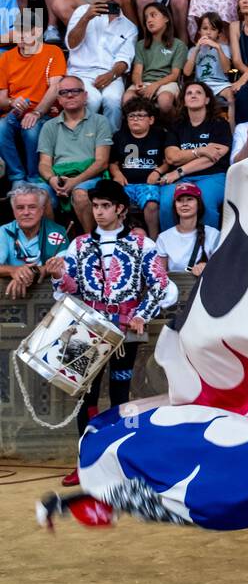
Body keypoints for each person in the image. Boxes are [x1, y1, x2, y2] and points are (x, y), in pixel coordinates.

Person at [52, 179, 171, 437]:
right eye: (95, 206)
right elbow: (70, 289)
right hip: (86, 325)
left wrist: (141, 315)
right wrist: (59, 276)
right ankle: (86, 457)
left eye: (105, 206)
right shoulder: (79, 244)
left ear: (121, 209)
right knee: (86, 392)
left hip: (125, 323)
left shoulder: (143, 245)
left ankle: (122, 451)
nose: (98, 211)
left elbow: (160, 285)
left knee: (123, 391)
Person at [37, 75, 115, 233]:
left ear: (85, 96)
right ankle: (53, 243)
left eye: (75, 91)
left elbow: (102, 162)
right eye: (64, 92)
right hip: (58, 177)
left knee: (80, 194)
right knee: (38, 195)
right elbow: (44, 163)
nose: (70, 95)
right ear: (58, 99)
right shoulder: (49, 126)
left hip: (89, 177)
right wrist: (52, 179)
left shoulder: (100, 121)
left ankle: (91, 240)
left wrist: (74, 182)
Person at [63, 0, 138, 131]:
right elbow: (71, 44)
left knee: (113, 100)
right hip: (80, 73)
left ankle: (110, 144)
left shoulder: (129, 27)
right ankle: (83, 141)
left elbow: (124, 60)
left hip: (112, 74)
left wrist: (111, 75)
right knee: (92, 99)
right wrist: (86, 18)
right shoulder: (82, 11)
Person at [0, 24, 66, 187]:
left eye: (26, 31)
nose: (21, 36)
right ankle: (17, 177)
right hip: (14, 111)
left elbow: (55, 87)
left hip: (43, 110)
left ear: (36, 32)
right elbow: (1, 99)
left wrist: (36, 112)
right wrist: (11, 102)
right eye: (18, 31)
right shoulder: (6, 58)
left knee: (31, 131)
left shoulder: (53, 51)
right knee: (0, 129)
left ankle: (33, 178)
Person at [160, 82, 232, 229]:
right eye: (189, 93)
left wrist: (179, 170)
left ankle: (207, 247)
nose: (193, 95)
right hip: (181, 178)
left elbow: (212, 158)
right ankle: (170, 246)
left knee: (204, 201)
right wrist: (199, 151)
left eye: (198, 92)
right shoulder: (177, 125)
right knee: (167, 202)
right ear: (184, 101)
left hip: (212, 176)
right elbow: (172, 157)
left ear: (207, 100)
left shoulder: (219, 124)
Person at [109, 96, 167, 238]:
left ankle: (153, 241)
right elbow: (112, 162)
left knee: (152, 205)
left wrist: (158, 171)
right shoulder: (119, 136)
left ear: (151, 120)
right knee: (112, 202)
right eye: (131, 116)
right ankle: (118, 239)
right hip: (126, 184)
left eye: (140, 115)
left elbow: (168, 161)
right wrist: (117, 174)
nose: (135, 119)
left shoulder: (160, 135)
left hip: (149, 185)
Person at [0, 185, 66, 298]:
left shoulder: (57, 232)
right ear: (14, 211)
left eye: (32, 207)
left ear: (41, 210)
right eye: (20, 207)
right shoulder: (4, 231)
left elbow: (62, 264)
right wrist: (14, 271)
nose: (26, 212)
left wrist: (34, 272)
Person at [125, 3, 186, 116]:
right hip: (145, 82)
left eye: (153, 15)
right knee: (127, 98)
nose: (149, 20)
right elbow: (137, 72)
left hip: (166, 82)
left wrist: (155, 85)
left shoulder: (178, 45)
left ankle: (175, 124)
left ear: (166, 18)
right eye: (146, 17)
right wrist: (138, 83)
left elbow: (174, 75)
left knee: (165, 101)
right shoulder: (140, 45)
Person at [156, 182, 221, 276]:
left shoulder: (213, 234)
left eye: (189, 199)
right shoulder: (163, 238)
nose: (184, 204)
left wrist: (208, 267)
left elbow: (222, 268)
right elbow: (160, 276)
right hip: (176, 288)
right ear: (175, 205)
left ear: (198, 204)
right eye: (179, 200)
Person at [184, 13, 235, 121]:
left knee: (230, 95)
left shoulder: (224, 48)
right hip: (201, 84)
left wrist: (218, 48)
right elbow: (187, 72)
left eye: (213, 29)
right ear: (199, 31)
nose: (208, 32)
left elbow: (227, 70)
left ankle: (231, 128)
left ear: (219, 33)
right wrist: (197, 49)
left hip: (221, 84)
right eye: (205, 28)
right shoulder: (194, 50)